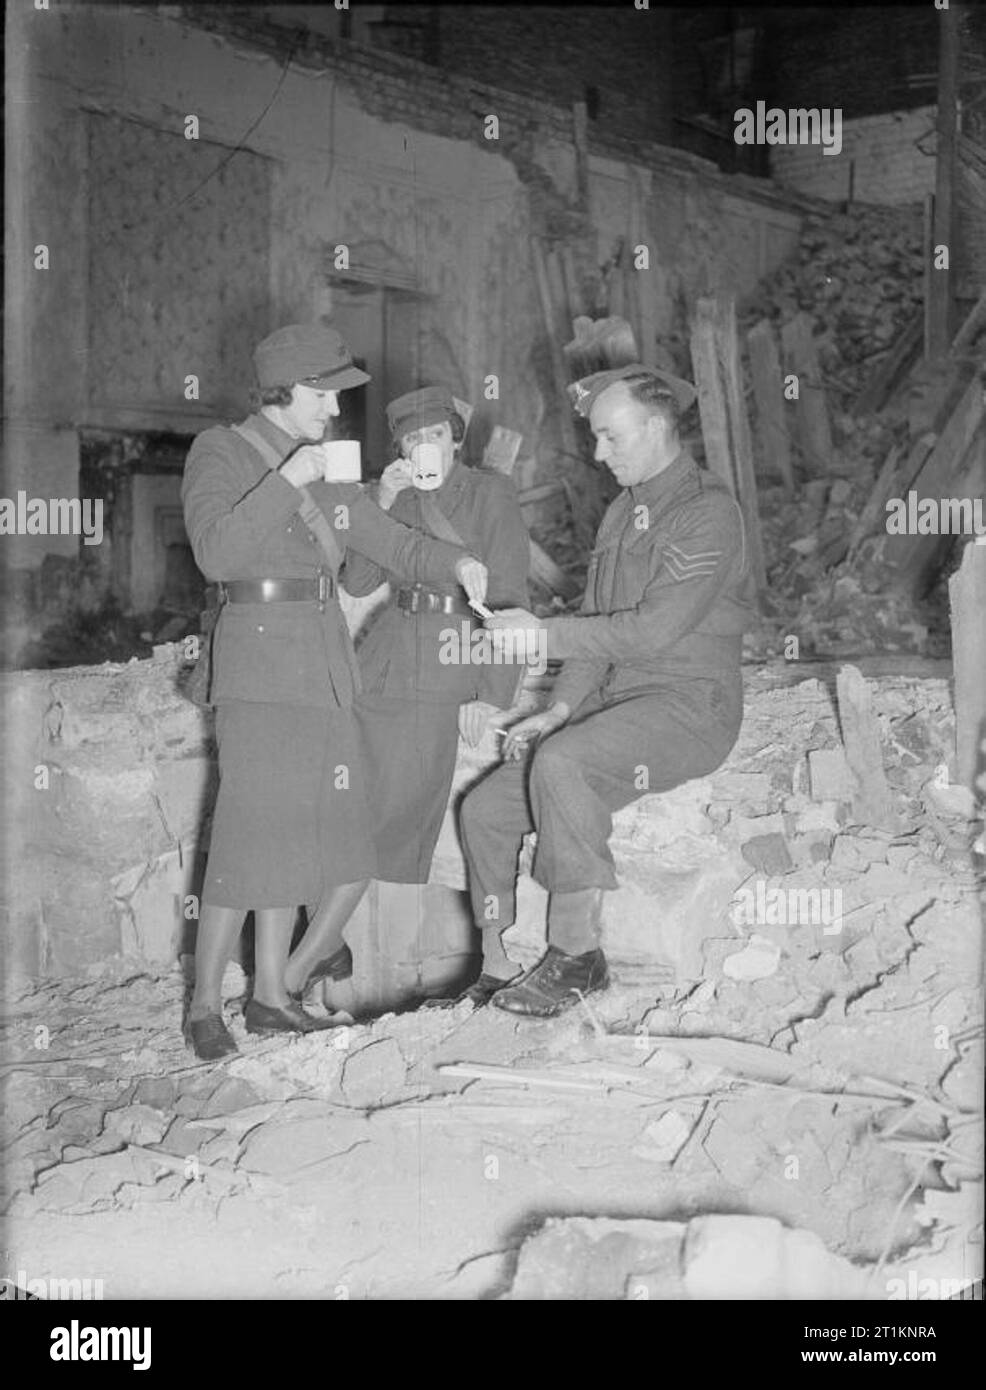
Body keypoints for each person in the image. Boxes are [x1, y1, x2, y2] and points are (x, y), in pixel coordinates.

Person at [181, 324, 488, 1059]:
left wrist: (459, 564)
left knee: (324, 839)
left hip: (323, 668)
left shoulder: (327, 472)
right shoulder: (221, 451)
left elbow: (369, 564)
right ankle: (201, 1007)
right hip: (257, 668)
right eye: (328, 395)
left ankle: (269, 998)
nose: (337, 410)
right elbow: (216, 551)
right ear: (289, 391)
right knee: (249, 834)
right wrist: (291, 480)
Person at [457, 363, 754, 1017]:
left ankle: (576, 958)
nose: (598, 453)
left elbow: (653, 630)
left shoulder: (709, 511)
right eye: (595, 438)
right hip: (614, 700)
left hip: (687, 705)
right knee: (485, 810)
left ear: (654, 426)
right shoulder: (623, 513)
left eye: (610, 437)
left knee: (566, 763)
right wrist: (557, 708)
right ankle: (494, 959)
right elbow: (597, 622)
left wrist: (540, 637)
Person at [335, 386, 531, 1007]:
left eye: (436, 438)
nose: (427, 451)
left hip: (453, 654)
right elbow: (359, 578)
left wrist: (491, 690)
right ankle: (336, 955)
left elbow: (512, 591)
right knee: (345, 792)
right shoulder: (395, 494)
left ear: (455, 440)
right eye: (413, 442)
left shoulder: (489, 493)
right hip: (386, 650)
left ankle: (385, 972)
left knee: (404, 808)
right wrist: (380, 499)